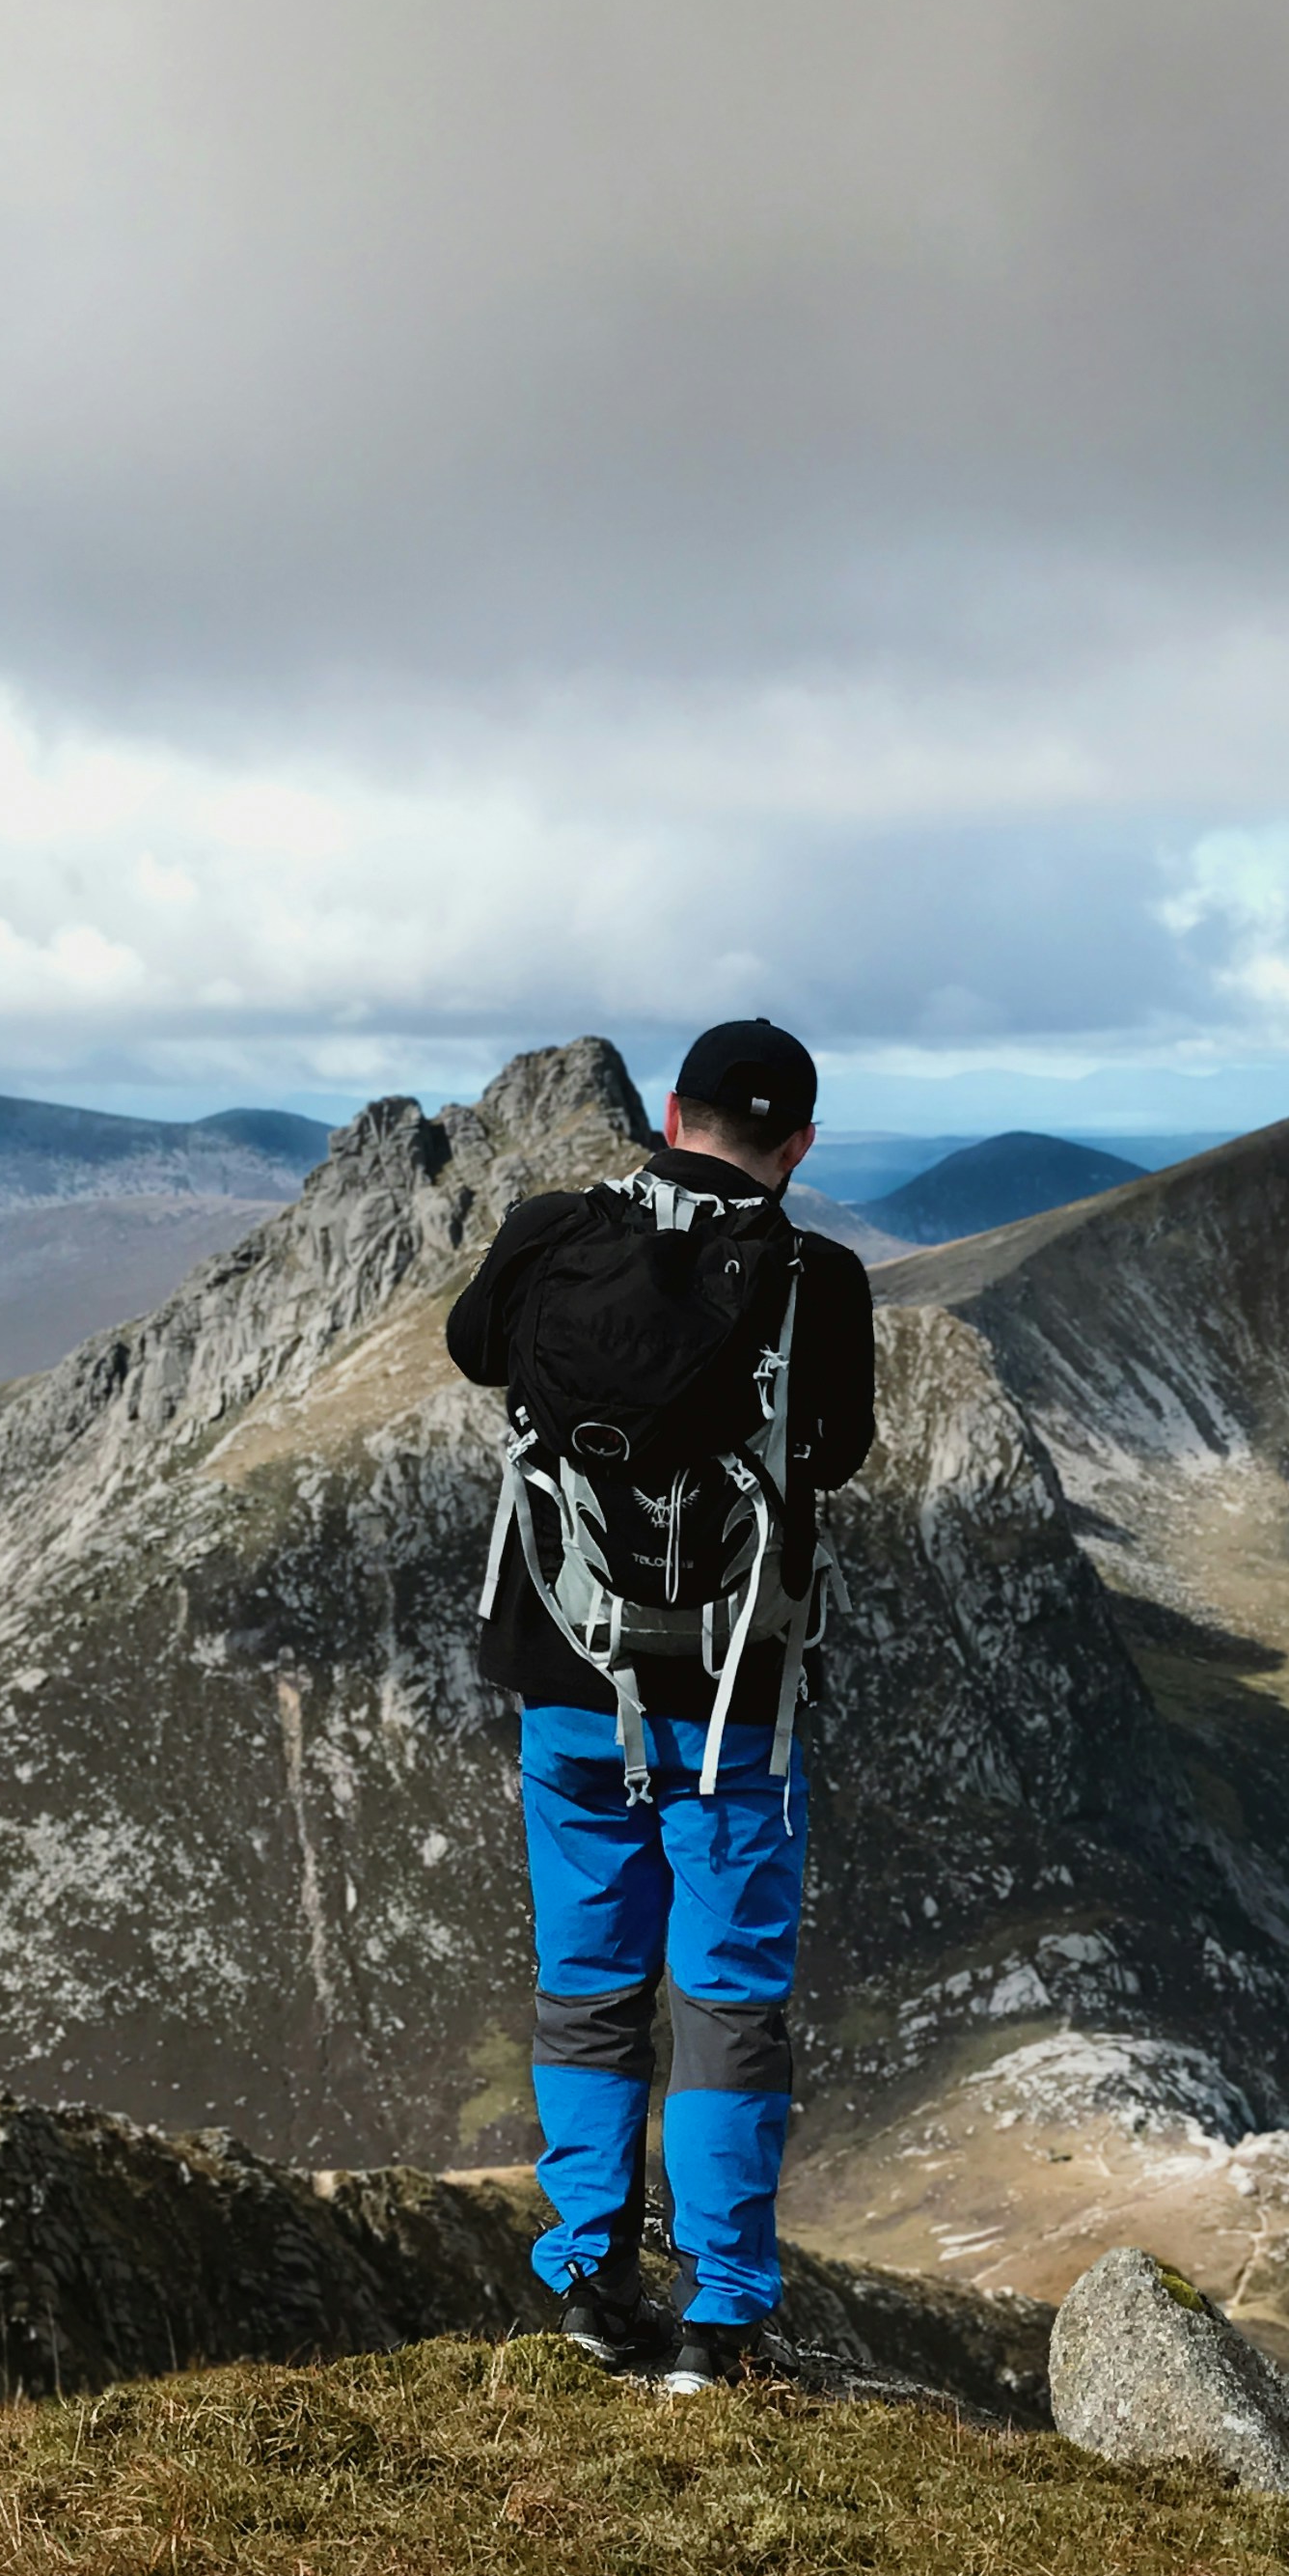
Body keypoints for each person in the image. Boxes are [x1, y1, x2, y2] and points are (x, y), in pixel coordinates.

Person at [445, 1018, 877, 2393]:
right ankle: (721, 2319)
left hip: (569, 1685)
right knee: (725, 2004)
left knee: (587, 1989)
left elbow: (475, 1350)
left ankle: (587, 2277)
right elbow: (838, 1452)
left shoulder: (546, 1233)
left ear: (671, 1111)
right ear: (798, 1146)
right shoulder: (823, 1279)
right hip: (738, 1708)